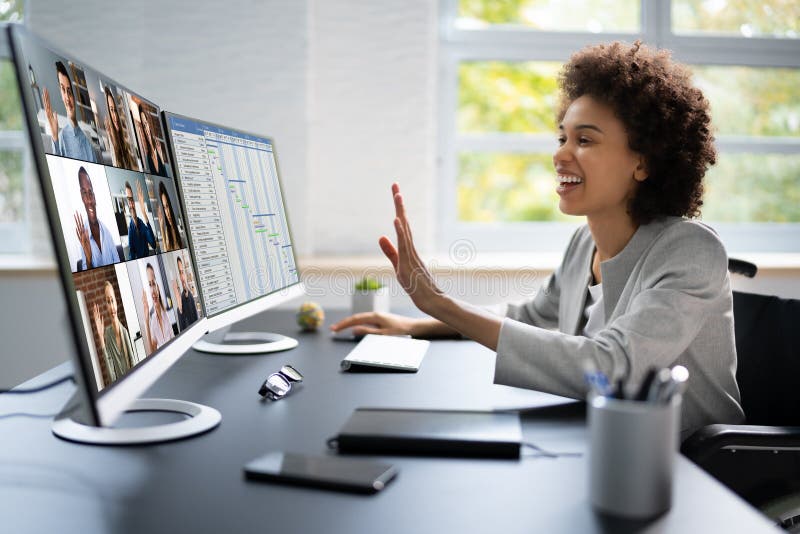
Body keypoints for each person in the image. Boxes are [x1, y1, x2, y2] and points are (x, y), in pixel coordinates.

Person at [330, 41, 745, 435]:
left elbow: (613, 366)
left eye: (585, 140)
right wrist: (417, 324)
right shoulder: (583, 244)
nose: (560, 154)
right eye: (562, 137)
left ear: (643, 161)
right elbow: (527, 318)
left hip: (687, 463)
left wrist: (439, 302)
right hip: (603, 441)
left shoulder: (690, 251)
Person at [43, 61, 97, 162]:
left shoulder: (87, 142)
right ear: (61, 95)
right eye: (63, 90)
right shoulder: (61, 138)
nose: (67, 98)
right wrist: (54, 137)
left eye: (69, 91)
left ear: (73, 96)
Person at [74, 166, 120, 269]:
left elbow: (117, 261)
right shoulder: (84, 238)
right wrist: (88, 260)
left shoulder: (107, 233)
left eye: (90, 192)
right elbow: (88, 272)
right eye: (84, 193)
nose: (89, 200)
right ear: (82, 198)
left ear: (95, 197)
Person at [92, 281, 135, 384]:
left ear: (116, 302)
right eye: (108, 302)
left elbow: (134, 367)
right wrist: (101, 338)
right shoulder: (107, 334)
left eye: (112, 300)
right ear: (106, 306)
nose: (111, 306)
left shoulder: (124, 332)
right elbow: (111, 377)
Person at [141, 262, 175, 353]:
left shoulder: (167, 315)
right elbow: (153, 353)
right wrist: (146, 322)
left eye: (153, 284)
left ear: (158, 287)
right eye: (149, 285)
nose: (152, 291)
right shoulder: (153, 322)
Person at [103, 86, 135, 170]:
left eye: (115, 110)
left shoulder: (121, 136)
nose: (115, 116)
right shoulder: (111, 138)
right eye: (111, 110)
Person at [124, 180, 158, 259]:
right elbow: (131, 255)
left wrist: (144, 212)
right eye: (128, 200)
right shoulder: (130, 230)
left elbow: (153, 245)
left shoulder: (141, 223)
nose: (131, 203)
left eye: (131, 199)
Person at [138, 106, 168, 177]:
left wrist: (161, 157)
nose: (146, 128)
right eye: (143, 126)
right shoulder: (148, 157)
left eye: (146, 123)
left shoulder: (158, 147)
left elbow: (166, 176)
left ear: (148, 124)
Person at [171, 256, 198, 331]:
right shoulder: (182, 300)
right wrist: (180, 308)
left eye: (182, 272)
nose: (182, 276)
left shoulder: (189, 295)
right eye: (180, 273)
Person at [157, 181, 183, 251]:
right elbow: (166, 251)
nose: (167, 213)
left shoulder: (176, 228)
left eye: (167, 206)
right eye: (164, 208)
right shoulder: (167, 231)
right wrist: (161, 228)